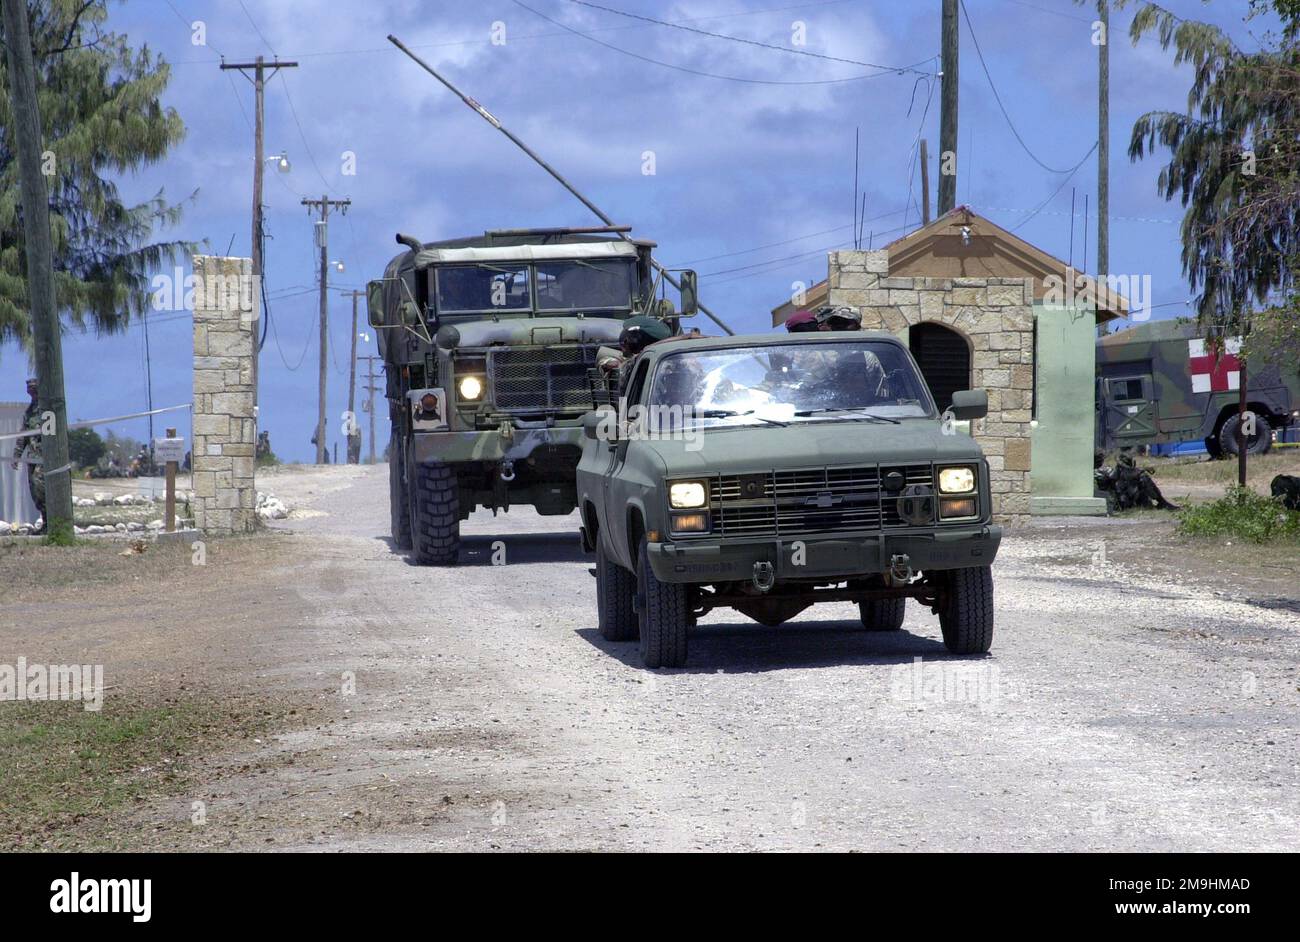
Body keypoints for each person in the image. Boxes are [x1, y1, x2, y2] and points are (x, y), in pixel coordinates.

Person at [12, 378, 45, 532]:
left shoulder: (47, 410)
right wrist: (17, 456)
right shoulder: (29, 411)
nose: (32, 392)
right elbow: (23, 436)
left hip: (45, 458)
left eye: (34, 389)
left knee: (41, 488)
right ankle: (46, 522)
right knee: (35, 493)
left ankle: (52, 523)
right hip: (32, 457)